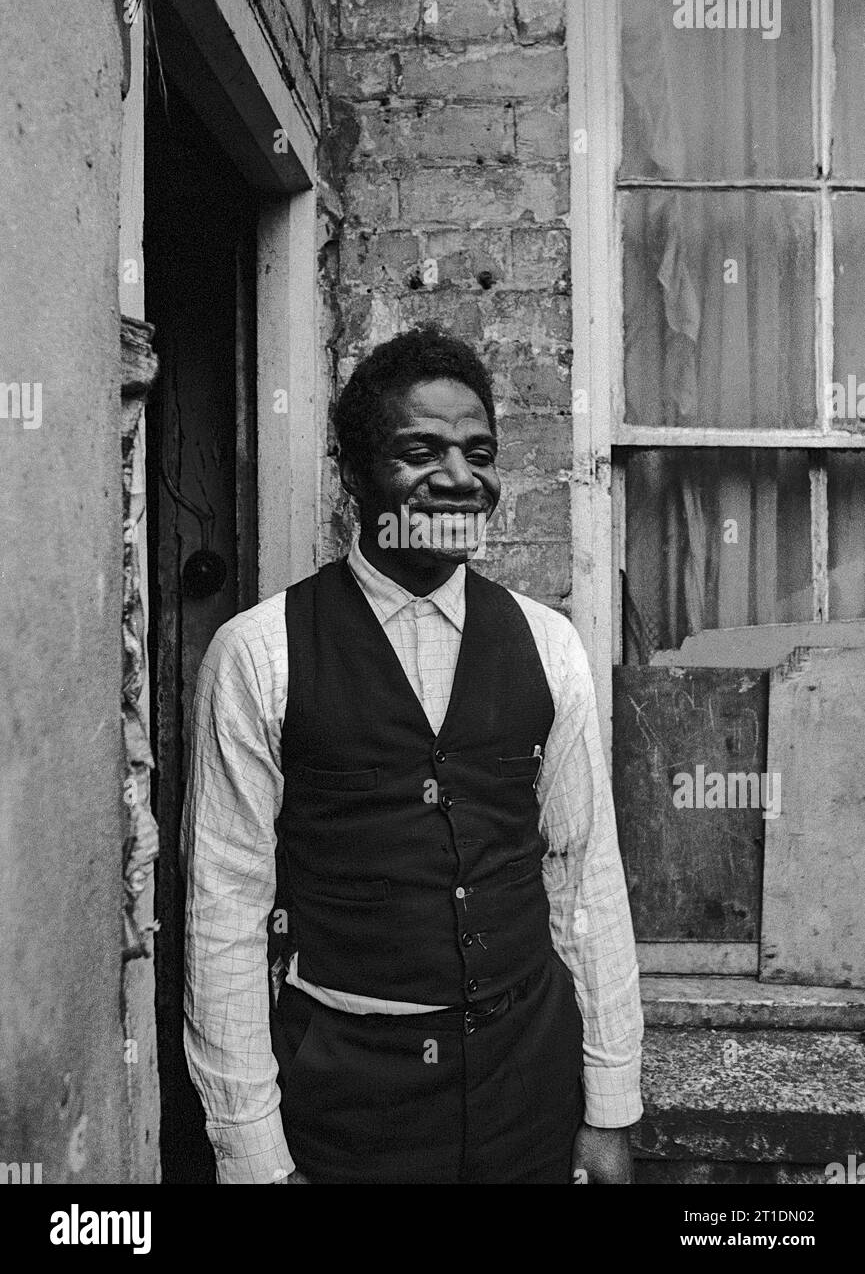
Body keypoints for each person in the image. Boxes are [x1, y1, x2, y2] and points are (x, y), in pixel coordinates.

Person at [181, 325, 643, 1184]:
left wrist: (610, 1107)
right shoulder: (258, 653)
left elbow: (584, 882)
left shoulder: (549, 646)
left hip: (526, 1091)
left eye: (479, 451)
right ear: (354, 476)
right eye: (420, 451)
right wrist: (252, 1155)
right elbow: (223, 910)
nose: (459, 478)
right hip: (350, 1105)